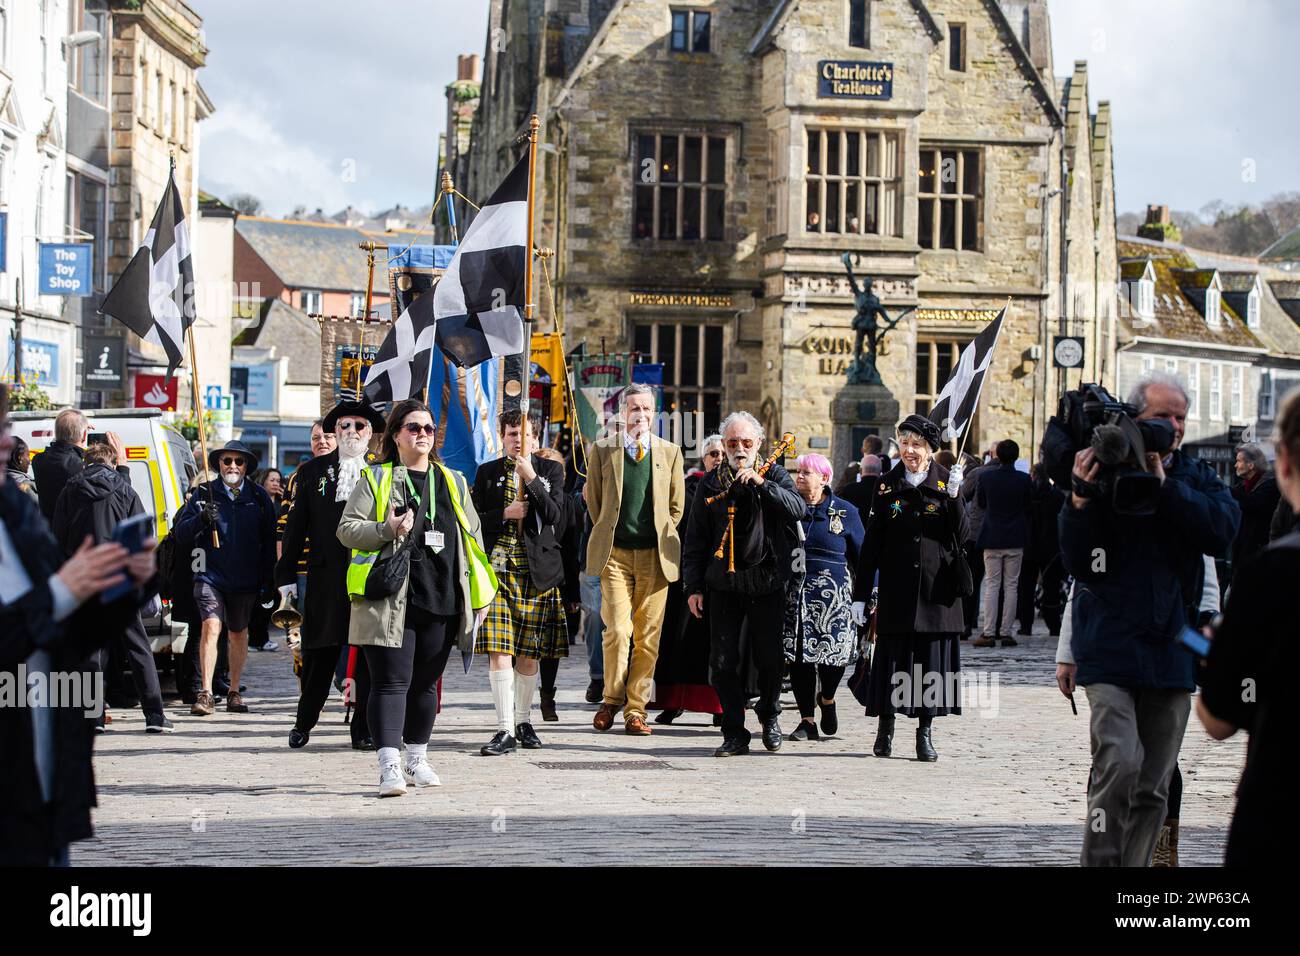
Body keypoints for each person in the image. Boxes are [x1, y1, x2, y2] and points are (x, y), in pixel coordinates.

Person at [1061, 372, 1239, 866]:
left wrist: (1165, 489)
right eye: (1163, 416)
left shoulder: (1195, 477)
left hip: (1171, 649)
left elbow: (1221, 531)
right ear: (1134, 418)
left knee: (1154, 786)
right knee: (1119, 763)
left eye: (1181, 416)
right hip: (1109, 646)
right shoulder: (1103, 470)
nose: (1175, 426)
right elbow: (1080, 563)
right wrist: (1079, 499)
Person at [0, 383, 159, 865]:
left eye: (6, 428)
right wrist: (62, 592)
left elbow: (62, 635)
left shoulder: (15, 511)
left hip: (44, 777)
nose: (8, 443)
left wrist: (127, 587)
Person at [337, 400, 495, 796]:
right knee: (390, 684)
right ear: (395, 435)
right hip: (392, 598)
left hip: (442, 597)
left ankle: (417, 758)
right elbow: (347, 530)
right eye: (412, 428)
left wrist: (481, 593)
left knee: (426, 685)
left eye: (427, 428)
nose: (422, 434)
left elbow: (474, 541)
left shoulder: (454, 481)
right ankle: (389, 765)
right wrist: (384, 528)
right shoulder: (376, 479)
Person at [1197, 386, 1300, 867]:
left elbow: (1218, 719)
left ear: (1283, 464)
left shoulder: (1273, 574)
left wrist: (1221, 657)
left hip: (1280, 802)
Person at [683, 411, 806, 756]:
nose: (740, 449)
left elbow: (797, 509)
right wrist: (692, 587)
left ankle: (769, 715)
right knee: (723, 661)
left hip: (767, 581)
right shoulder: (711, 483)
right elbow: (695, 539)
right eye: (733, 442)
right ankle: (734, 730)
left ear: (759, 445)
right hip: (724, 583)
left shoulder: (776, 473)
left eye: (746, 443)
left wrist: (761, 484)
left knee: (770, 659)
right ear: (723, 445)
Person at [852, 415, 968, 761]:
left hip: (937, 592)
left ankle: (925, 732)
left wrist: (956, 497)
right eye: (904, 444)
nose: (909, 451)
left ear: (930, 449)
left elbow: (962, 536)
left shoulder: (947, 483)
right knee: (891, 663)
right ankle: (885, 728)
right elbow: (872, 543)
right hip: (897, 590)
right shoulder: (887, 485)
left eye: (917, 445)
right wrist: (860, 595)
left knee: (929, 668)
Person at [276, 401, 381, 750]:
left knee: (365, 655)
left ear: (370, 434)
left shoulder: (382, 472)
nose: (352, 432)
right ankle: (304, 721)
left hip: (368, 577)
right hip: (325, 577)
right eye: (345, 426)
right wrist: (285, 575)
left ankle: (362, 728)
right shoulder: (312, 472)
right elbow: (295, 528)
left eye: (359, 427)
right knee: (319, 653)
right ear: (335, 432)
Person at [585, 384, 686, 736]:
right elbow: (595, 502)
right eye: (633, 408)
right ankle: (611, 698)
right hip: (616, 553)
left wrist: (659, 534)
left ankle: (635, 709)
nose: (640, 414)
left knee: (648, 637)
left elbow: (676, 507)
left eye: (645, 408)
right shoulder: (602, 451)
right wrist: (611, 531)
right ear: (622, 413)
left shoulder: (670, 453)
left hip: (655, 557)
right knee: (617, 629)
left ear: (654, 413)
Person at [52, 442, 171, 733]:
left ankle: (93, 716)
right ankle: (154, 715)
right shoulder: (125, 490)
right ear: (113, 462)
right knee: (137, 646)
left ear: (86, 463)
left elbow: (57, 535)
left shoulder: (70, 491)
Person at [470, 410, 567, 755]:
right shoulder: (487, 473)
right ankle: (504, 728)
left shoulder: (551, 470)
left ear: (535, 438)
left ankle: (524, 720)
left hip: (537, 573)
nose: (517, 440)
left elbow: (557, 517)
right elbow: (471, 523)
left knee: (529, 654)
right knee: (500, 651)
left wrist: (532, 478)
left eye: (524, 434)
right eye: (512, 433)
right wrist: (504, 515)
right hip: (496, 573)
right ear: (502, 435)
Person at [174, 440, 278, 716]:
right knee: (210, 626)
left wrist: (270, 581)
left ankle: (233, 690)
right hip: (209, 575)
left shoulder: (258, 498)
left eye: (238, 461)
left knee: (237, 632)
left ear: (246, 466)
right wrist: (201, 520)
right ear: (218, 464)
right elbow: (180, 535)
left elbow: (269, 541)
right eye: (226, 461)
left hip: (244, 578)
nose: (232, 466)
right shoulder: (203, 493)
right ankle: (206, 692)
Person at [784, 453, 864, 741]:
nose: (801, 476)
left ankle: (827, 698)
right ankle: (807, 720)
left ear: (825, 478)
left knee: (833, 659)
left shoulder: (845, 511)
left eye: (807, 472)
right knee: (799, 658)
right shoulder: (790, 509)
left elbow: (863, 556)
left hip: (835, 599)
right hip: (797, 596)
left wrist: (869, 595)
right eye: (799, 471)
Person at [653, 433, 724, 725]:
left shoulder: (740, 485)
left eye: (722, 453)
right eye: (712, 454)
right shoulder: (688, 487)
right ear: (703, 459)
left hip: (721, 577)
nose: (718, 458)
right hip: (687, 574)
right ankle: (674, 701)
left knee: (717, 645)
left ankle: (721, 706)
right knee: (678, 641)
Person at [972, 439, 1032, 647]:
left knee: (992, 585)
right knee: (1011, 586)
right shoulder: (1024, 479)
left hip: (992, 535)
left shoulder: (987, 477)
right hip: (1015, 536)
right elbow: (1028, 505)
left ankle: (988, 632)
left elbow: (981, 503)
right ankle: (1006, 631)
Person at [535, 445, 579, 722]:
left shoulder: (569, 504)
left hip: (557, 578)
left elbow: (572, 549)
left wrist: (573, 592)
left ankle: (547, 696)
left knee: (550, 647)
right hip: (527, 572)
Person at [32, 408, 130, 523]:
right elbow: (121, 496)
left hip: (49, 533)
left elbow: (59, 446)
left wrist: (72, 429)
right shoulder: (82, 466)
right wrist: (122, 464)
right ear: (84, 435)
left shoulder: (38, 460)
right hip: (76, 536)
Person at [1018, 464, 1067, 636]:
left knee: (1026, 589)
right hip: (1051, 549)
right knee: (1051, 589)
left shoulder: (1026, 495)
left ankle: (1026, 625)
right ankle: (1054, 625)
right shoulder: (1057, 496)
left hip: (1028, 548)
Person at [1229, 442, 1279, 575]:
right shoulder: (1242, 487)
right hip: (1241, 558)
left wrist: (1223, 488)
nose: (1235, 465)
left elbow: (1252, 504)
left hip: (1260, 559)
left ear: (1250, 465)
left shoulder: (1270, 486)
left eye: (1238, 461)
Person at [6, 436, 36, 500]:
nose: (29, 461)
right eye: (28, 455)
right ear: (20, 458)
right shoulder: (26, 486)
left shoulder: (4, 482)